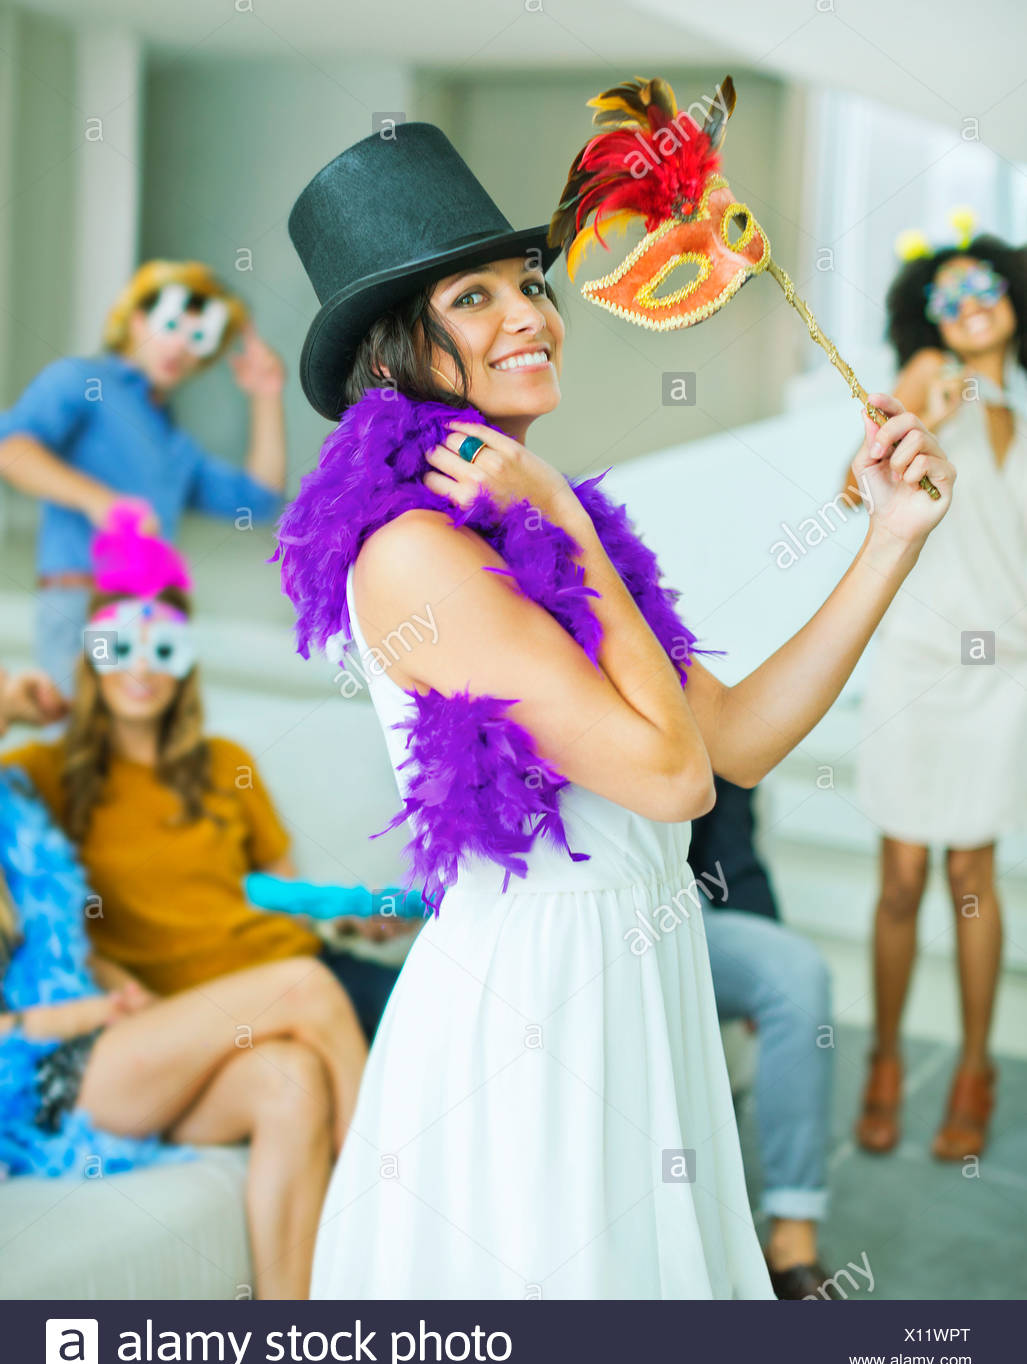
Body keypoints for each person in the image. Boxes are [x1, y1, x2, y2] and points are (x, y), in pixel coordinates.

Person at [275, 123, 953, 1300]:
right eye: (474, 298)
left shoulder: (540, 532)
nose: (530, 314)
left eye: (529, 283)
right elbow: (673, 780)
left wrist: (889, 539)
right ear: (390, 362)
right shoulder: (415, 553)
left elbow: (731, 737)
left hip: (644, 970)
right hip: (533, 1012)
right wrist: (572, 526)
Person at [0, 663, 368, 1299]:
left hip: (90, 1047)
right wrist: (66, 1019)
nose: (16, 678)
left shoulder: (19, 800)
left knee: (291, 1078)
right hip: (35, 1082)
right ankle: (390, 1200)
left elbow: (58, 944)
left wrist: (116, 991)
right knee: (303, 986)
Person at [2, 514, 414, 1043]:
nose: (143, 670)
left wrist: (343, 920)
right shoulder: (46, 775)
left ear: (185, 665)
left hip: (303, 968)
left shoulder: (225, 762)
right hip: (207, 1015)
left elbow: (285, 897)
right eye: (121, 646)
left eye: (164, 649)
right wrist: (12, 708)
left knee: (443, 1019)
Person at [841, 222, 1027, 1160]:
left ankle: (972, 1068)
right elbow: (856, 476)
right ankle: (879, 1058)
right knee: (902, 879)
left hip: (1002, 672)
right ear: (927, 316)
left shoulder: (1024, 407)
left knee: (969, 876)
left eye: (981, 284)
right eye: (945, 295)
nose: (967, 304)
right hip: (915, 660)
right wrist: (921, 422)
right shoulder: (926, 376)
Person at [0, 260, 287, 693]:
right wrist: (101, 502)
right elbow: (11, 452)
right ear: (135, 320)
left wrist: (266, 398)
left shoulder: (175, 446)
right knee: (81, 746)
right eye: (169, 324)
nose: (180, 347)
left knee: (130, 755)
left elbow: (258, 500)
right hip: (80, 604)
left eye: (198, 338)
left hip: (151, 619)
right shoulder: (80, 380)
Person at [687, 776, 836, 1300]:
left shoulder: (689, 693)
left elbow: (727, 839)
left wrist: (757, 921)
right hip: (556, 917)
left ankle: (792, 1240)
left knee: (798, 975)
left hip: (680, 910)